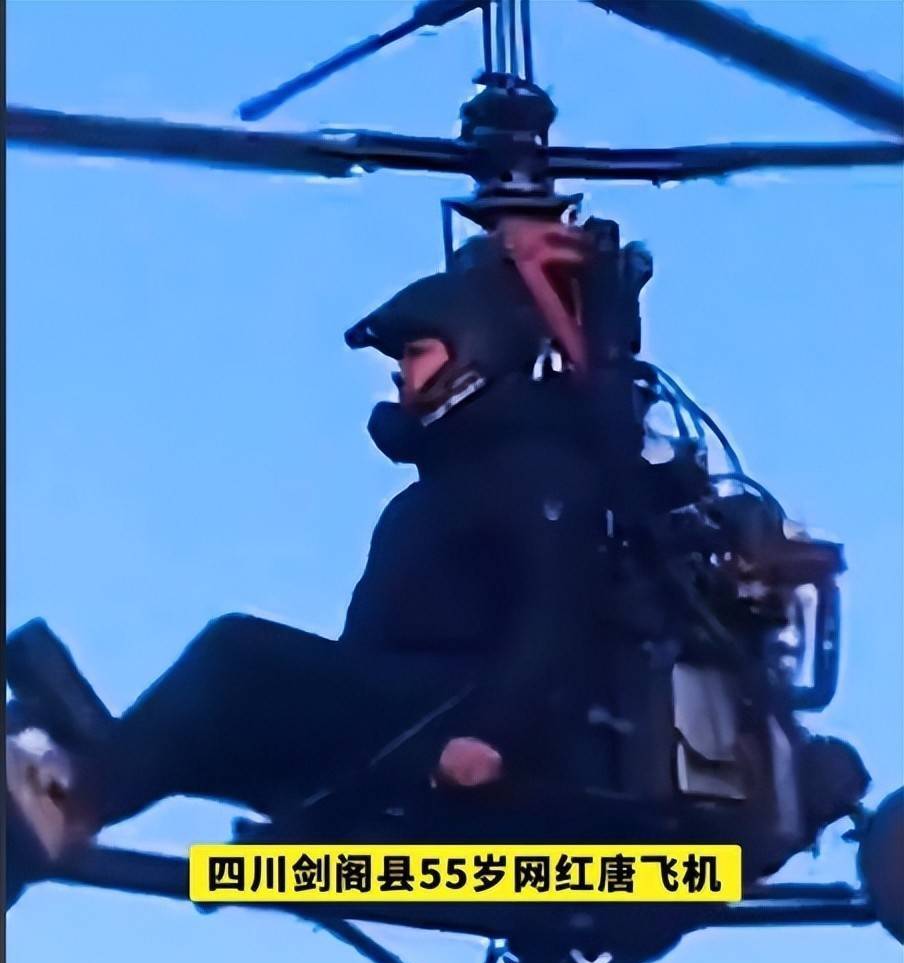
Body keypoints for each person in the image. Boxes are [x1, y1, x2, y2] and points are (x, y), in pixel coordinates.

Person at [6, 217, 699, 868]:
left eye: (416, 353)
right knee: (209, 723)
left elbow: (555, 614)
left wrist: (490, 734)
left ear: (476, 348)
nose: (400, 374)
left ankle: (86, 794)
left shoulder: (537, 472)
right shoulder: (438, 496)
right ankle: (72, 784)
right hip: (399, 735)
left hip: (462, 733)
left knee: (235, 656)